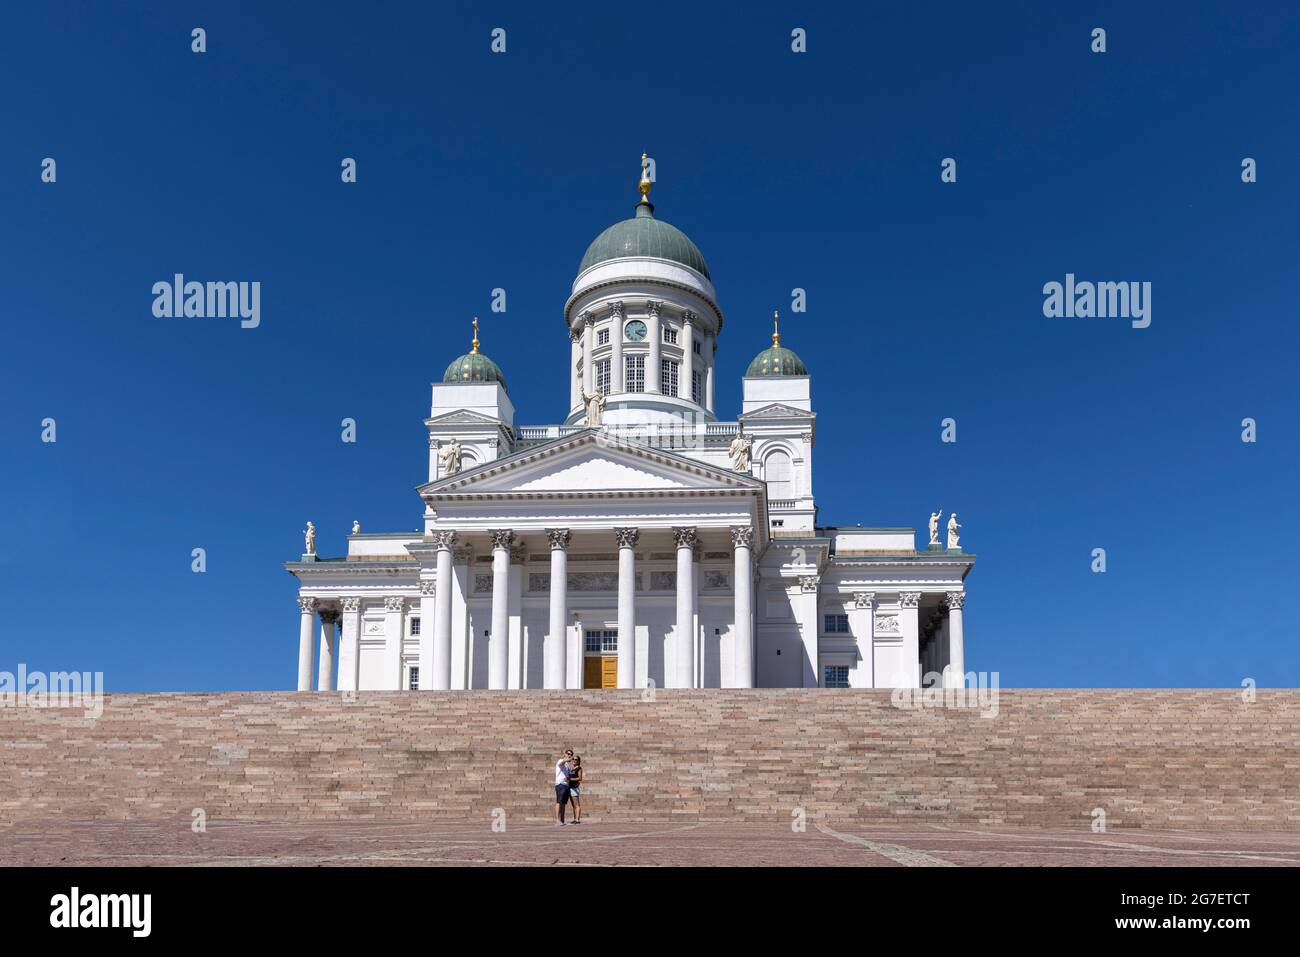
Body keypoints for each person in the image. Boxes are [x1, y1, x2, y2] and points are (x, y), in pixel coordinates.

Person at [554, 749, 574, 826]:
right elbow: (561, 763)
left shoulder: (567, 766)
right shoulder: (561, 761)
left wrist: (569, 778)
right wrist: (567, 759)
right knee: (559, 802)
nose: (570, 755)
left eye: (571, 754)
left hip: (566, 785)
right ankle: (557, 820)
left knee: (563, 803)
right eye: (568, 754)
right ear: (565, 754)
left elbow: (569, 775)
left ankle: (562, 820)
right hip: (560, 784)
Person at [567, 755, 584, 824]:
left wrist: (570, 779)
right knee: (573, 805)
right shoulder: (572, 769)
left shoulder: (579, 768)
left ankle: (577, 819)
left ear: (578, 761)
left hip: (574, 788)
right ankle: (575, 818)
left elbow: (580, 778)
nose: (574, 760)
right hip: (570, 787)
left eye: (576, 759)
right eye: (573, 759)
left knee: (576, 804)